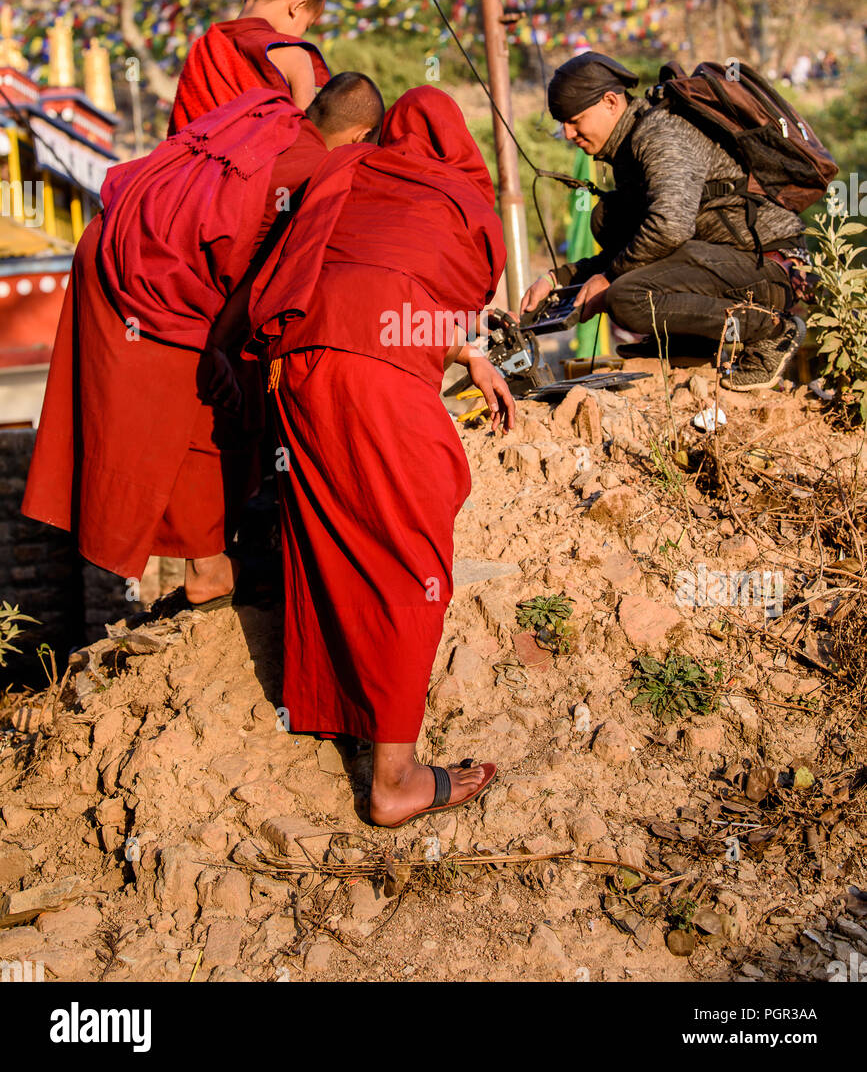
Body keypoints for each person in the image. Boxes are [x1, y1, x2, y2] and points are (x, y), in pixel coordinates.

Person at [245, 86, 514, 827]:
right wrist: (467, 347)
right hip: (375, 373)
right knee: (412, 554)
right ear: (459, 145)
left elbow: (366, 265)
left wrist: (464, 355)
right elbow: (438, 280)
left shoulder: (351, 172)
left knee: (330, 534)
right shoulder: (461, 198)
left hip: (297, 365)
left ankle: (334, 709)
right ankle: (392, 779)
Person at [21, 74, 384, 609]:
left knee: (198, 399)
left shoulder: (264, 113)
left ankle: (211, 557)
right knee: (209, 408)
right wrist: (219, 345)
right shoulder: (314, 173)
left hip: (113, 244)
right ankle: (208, 569)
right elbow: (258, 279)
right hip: (156, 286)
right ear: (361, 135)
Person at [520, 51, 807, 390]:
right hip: (724, 262)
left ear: (611, 102)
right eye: (562, 124)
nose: (568, 133)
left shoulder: (659, 132)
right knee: (608, 219)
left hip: (770, 268)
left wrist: (610, 277)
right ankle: (689, 343)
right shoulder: (628, 148)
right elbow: (641, 245)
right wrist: (558, 280)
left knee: (628, 297)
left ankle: (772, 330)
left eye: (575, 119)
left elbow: (670, 227)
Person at [168, 0, 330, 134]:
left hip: (191, 163)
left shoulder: (204, 48)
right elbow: (307, 144)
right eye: (306, 26)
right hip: (256, 163)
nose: (301, 36)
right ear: (296, 6)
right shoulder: (295, 57)